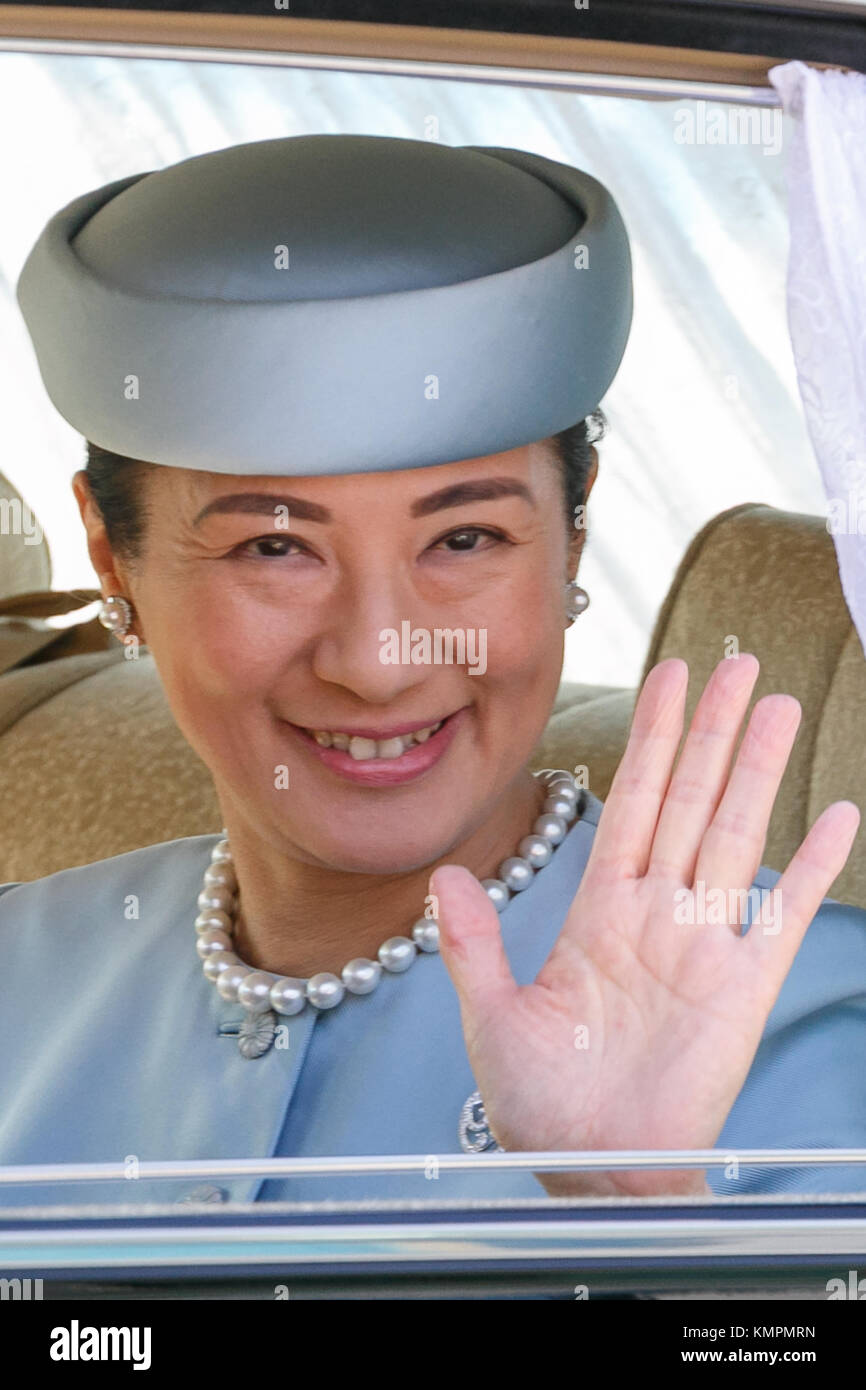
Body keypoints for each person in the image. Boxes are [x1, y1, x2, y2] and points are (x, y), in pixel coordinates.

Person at [1, 133, 864, 1211]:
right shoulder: (16, 980)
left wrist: (634, 1213)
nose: (375, 661)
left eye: (462, 541)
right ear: (110, 559)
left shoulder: (826, 1023)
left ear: (570, 541)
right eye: (274, 548)